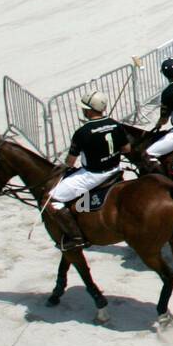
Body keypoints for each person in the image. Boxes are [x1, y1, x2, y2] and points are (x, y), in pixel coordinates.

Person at [43, 92, 131, 250]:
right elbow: (127, 148)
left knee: (52, 199)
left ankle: (77, 238)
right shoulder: (115, 124)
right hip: (115, 169)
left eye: (85, 108)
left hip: (94, 175)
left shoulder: (82, 132)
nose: (83, 111)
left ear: (90, 110)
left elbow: (70, 162)